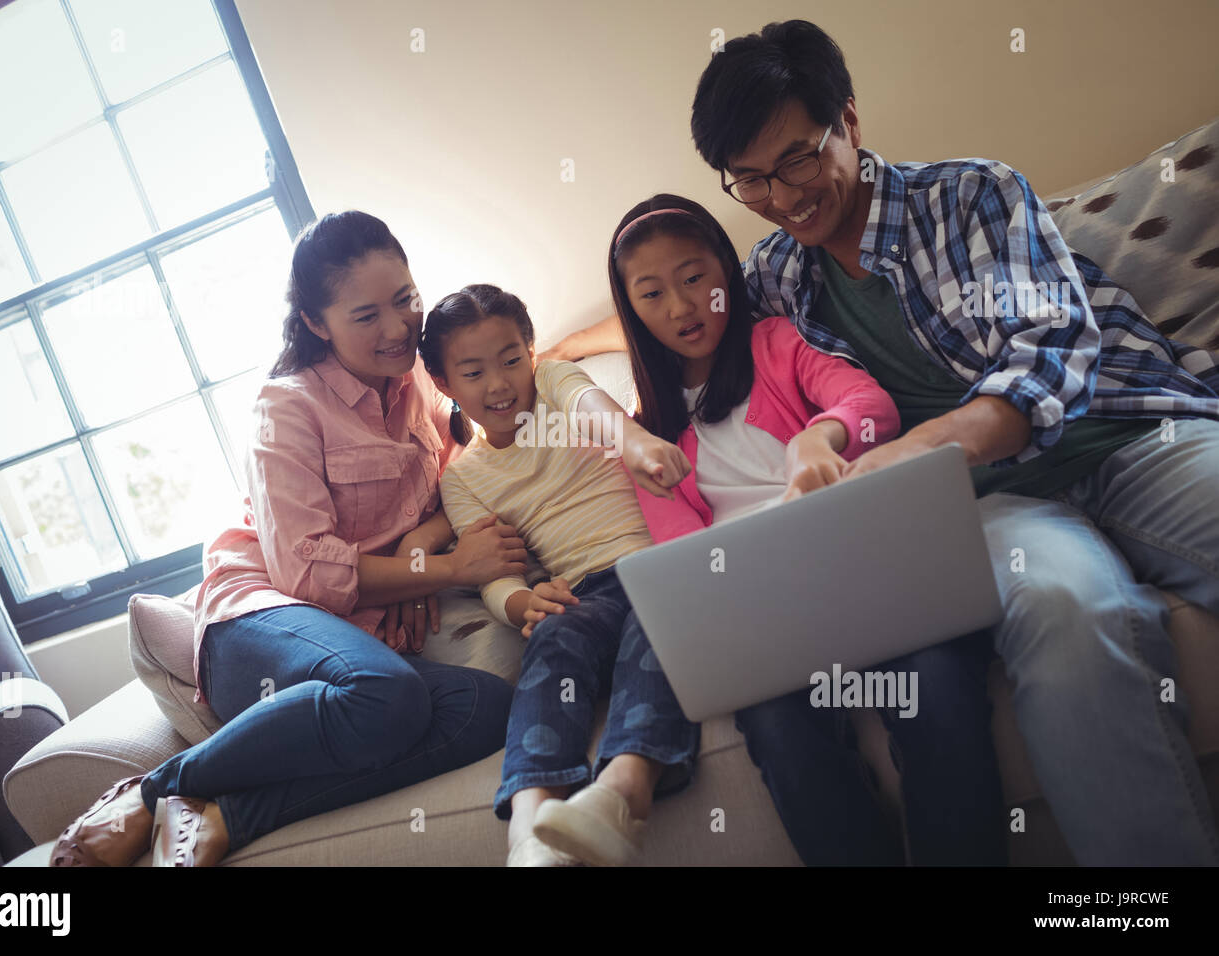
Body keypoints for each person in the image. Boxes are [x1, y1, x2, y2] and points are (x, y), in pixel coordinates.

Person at [549, 20, 1219, 864]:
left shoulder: (973, 195)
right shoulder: (776, 275)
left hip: (1127, 434)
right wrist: (561, 355)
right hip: (994, 506)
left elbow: (1052, 352)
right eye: (750, 180)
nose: (785, 197)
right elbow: (679, 293)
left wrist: (915, 446)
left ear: (850, 123)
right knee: (1069, 613)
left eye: (798, 158)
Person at [50, 211, 525, 867]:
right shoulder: (287, 406)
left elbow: (461, 473)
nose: (396, 328)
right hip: (260, 619)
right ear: (315, 322)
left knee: (489, 706)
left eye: (405, 300)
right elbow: (307, 573)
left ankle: (229, 815)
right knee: (390, 693)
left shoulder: (425, 379)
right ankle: (155, 789)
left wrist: (420, 545)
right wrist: (441, 570)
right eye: (366, 316)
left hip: (359, 639)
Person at [607, 193, 1007, 864]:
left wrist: (818, 442)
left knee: (937, 688)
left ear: (726, 274)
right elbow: (682, 556)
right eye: (652, 294)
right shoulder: (648, 439)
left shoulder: (776, 343)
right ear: (633, 310)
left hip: (872, 579)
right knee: (780, 730)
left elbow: (870, 406)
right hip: (767, 626)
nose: (680, 307)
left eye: (695, 277)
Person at [419, 283, 699, 866]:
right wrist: (524, 604)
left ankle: (621, 794)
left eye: (511, 360)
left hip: (658, 565)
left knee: (660, 625)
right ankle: (529, 832)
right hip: (585, 591)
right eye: (472, 372)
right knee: (553, 642)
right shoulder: (463, 478)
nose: (499, 383)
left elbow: (592, 407)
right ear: (443, 384)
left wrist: (636, 441)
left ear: (531, 352)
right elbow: (495, 573)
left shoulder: (553, 386)